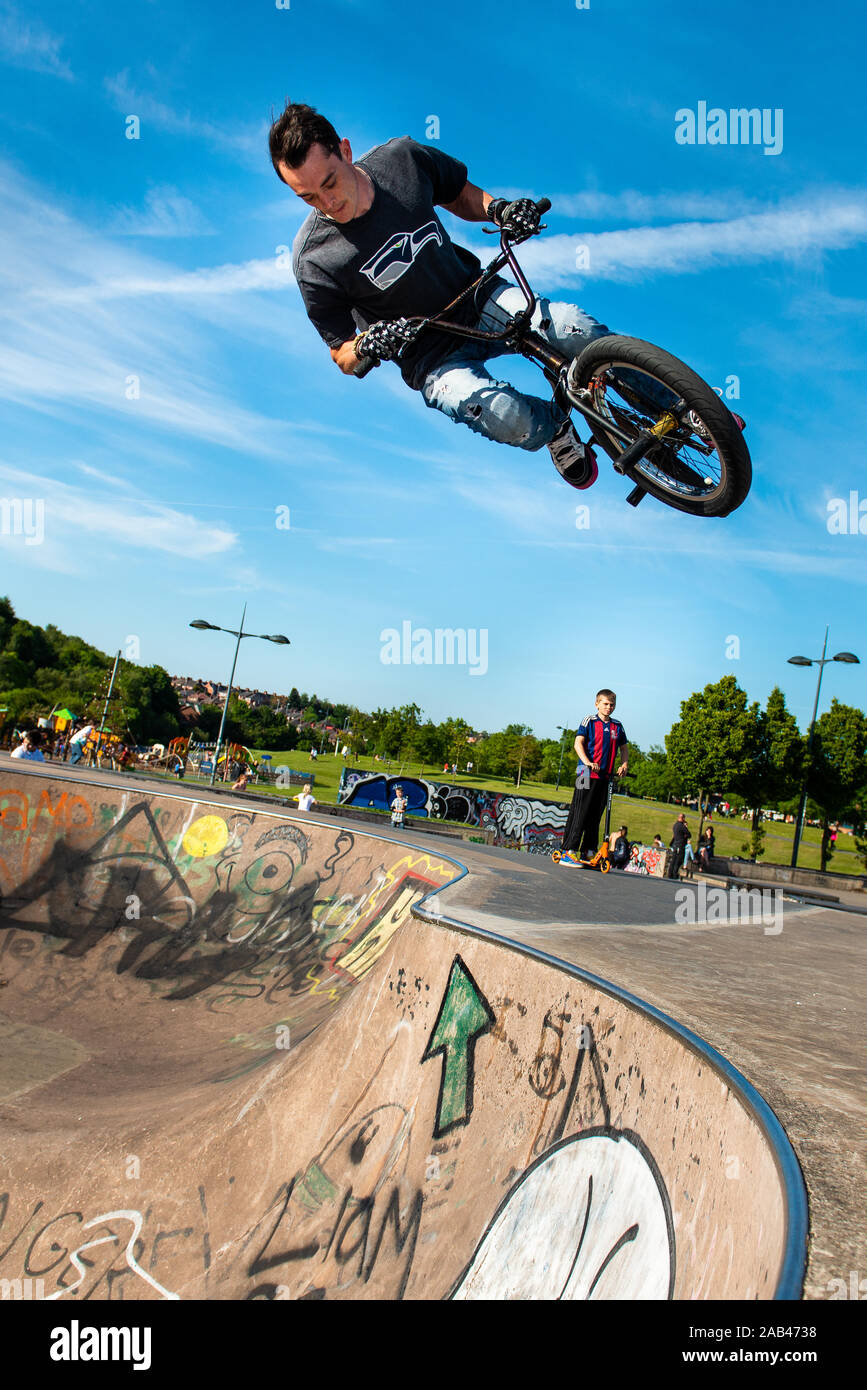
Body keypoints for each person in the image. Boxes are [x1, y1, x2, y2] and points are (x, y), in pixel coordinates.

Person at [271, 104, 617, 491]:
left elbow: (459, 194)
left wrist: (500, 210)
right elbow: (342, 354)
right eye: (308, 197)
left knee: (577, 329)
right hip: (431, 357)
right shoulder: (312, 259)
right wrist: (367, 344)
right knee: (506, 417)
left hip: (476, 298)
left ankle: (684, 411)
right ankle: (555, 427)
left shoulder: (399, 159)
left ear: (345, 151)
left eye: (330, 182)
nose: (327, 202)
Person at [559, 690, 628, 860]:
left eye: (612, 704)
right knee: (580, 811)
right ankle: (569, 849)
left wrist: (624, 764)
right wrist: (588, 762)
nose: (608, 707)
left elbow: (624, 748)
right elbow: (578, 743)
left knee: (596, 814)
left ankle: (588, 849)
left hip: (605, 776)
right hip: (585, 773)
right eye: (605, 704)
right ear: (597, 704)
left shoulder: (617, 726)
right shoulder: (589, 721)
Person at [668, 813, 691, 878]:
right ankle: (674, 873)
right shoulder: (681, 826)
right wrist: (686, 828)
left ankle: (670, 873)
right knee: (678, 860)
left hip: (675, 844)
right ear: (683, 818)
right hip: (680, 845)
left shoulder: (675, 825)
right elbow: (689, 834)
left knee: (674, 859)